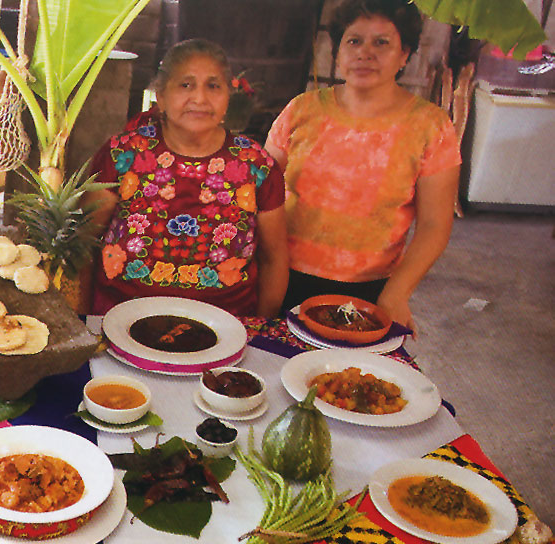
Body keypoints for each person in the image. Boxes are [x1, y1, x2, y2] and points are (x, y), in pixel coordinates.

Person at [265, 0, 461, 332]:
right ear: (337, 52)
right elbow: (259, 193)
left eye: (381, 42)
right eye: (354, 41)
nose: (365, 53)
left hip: (369, 291)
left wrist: (395, 296)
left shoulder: (430, 126)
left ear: (404, 55)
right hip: (279, 277)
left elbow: (433, 225)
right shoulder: (301, 110)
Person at [85, 39, 289, 318]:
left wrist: (259, 330)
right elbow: (83, 243)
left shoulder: (257, 165)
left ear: (229, 95)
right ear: (161, 95)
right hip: (119, 319)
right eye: (186, 85)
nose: (200, 98)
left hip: (225, 326)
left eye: (213, 86)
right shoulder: (123, 154)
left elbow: (274, 259)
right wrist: (83, 321)